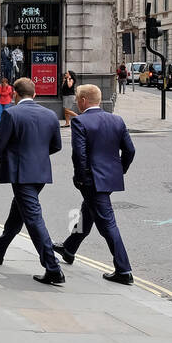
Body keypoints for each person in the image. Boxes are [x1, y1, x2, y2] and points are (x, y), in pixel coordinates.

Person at [0, 77, 65, 286]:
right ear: (34, 94)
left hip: (21, 174)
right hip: (40, 173)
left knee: (33, 218)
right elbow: (56, 146)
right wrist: (38, 156)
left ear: (15, 94)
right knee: (17, 214)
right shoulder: (50, 115)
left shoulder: (11, 113)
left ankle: (53, 268)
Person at [54, 84, 135, 285]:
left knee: (107, 224)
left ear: (83, 101)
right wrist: (119, 170)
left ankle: (123, 270)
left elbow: (79, 155)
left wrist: (81, 178)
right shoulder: (117, 120)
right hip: (107, 178)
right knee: (87, 213)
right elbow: (130, 151)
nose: (75, 103)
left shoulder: (80, 121)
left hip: (91, 180)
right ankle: (69, 248)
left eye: (76, 99)